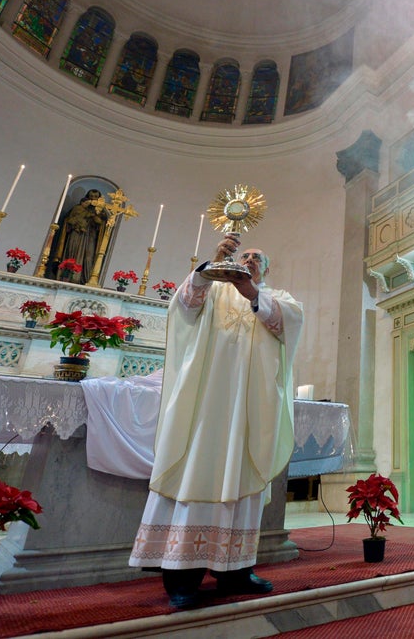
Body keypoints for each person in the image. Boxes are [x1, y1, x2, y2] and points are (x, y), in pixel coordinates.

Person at [129, 235, 303, 609]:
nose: (250, 258)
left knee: (242, 480)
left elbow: (288, 323)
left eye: (258, 257)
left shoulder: (277, 298)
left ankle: (235, 571)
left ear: (267, 268)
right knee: (196, 472)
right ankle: (181, 576)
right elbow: (184, 305)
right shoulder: (212, 291)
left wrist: (250, 291)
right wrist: (210, 267)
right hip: (205, 404)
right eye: (245, 254)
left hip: (251, 408)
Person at [55, 190, 106, 283]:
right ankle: (68, 276)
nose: (93, 198)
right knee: (74, 252)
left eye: (96, 197)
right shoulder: (78, 208)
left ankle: (85, 279)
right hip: (77, 234)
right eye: (91, 196)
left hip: (90, 236)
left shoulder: (100, 212)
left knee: (88, 257)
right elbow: (69, 220)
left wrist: (96, 216)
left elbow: (101, 224)